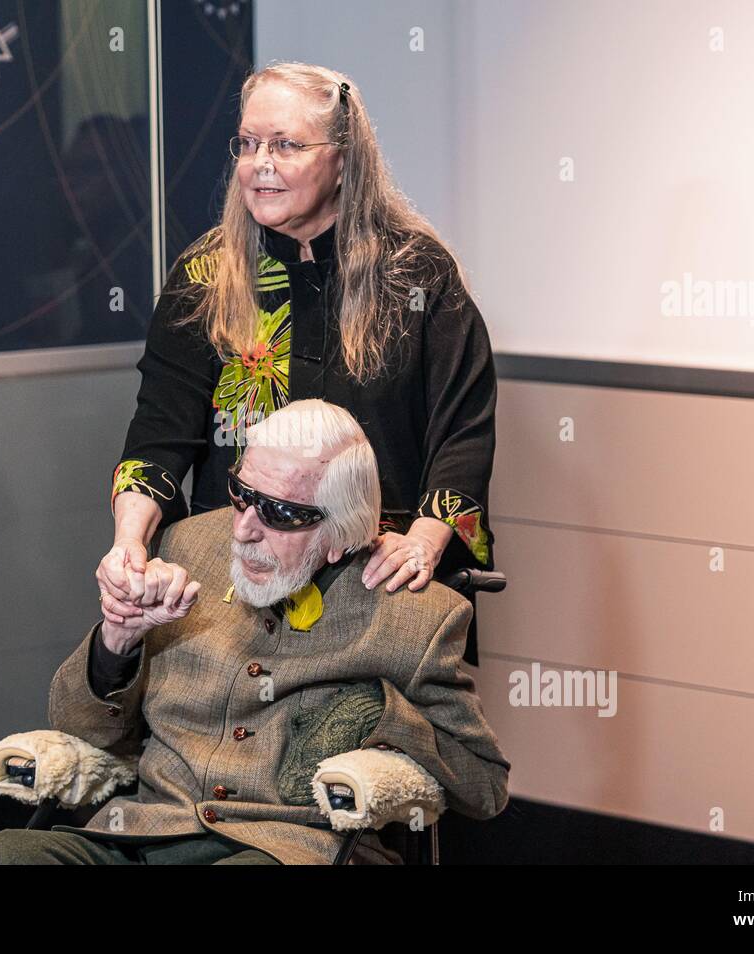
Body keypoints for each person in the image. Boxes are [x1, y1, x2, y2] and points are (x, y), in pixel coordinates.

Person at [0, 400, 509, 865]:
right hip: (143, 833)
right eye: (241, 494)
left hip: (283, 848)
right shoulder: (185, 548)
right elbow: (81, 733)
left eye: (277, 512)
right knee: (4, 856)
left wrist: (382, 714)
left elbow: (485, 785)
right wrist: (118, 640)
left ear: (342, 532)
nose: (244, 528)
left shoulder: (411, 616)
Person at [100, 62, 498, 664]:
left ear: (343, 159)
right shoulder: (206, 277)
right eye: (248, 143)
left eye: (285, 144)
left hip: (377, 586)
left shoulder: (417, 274)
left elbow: (463, 433)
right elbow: (157, 440)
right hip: (237, 587)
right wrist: (130, 541)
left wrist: (423, 542)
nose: (261, 163)